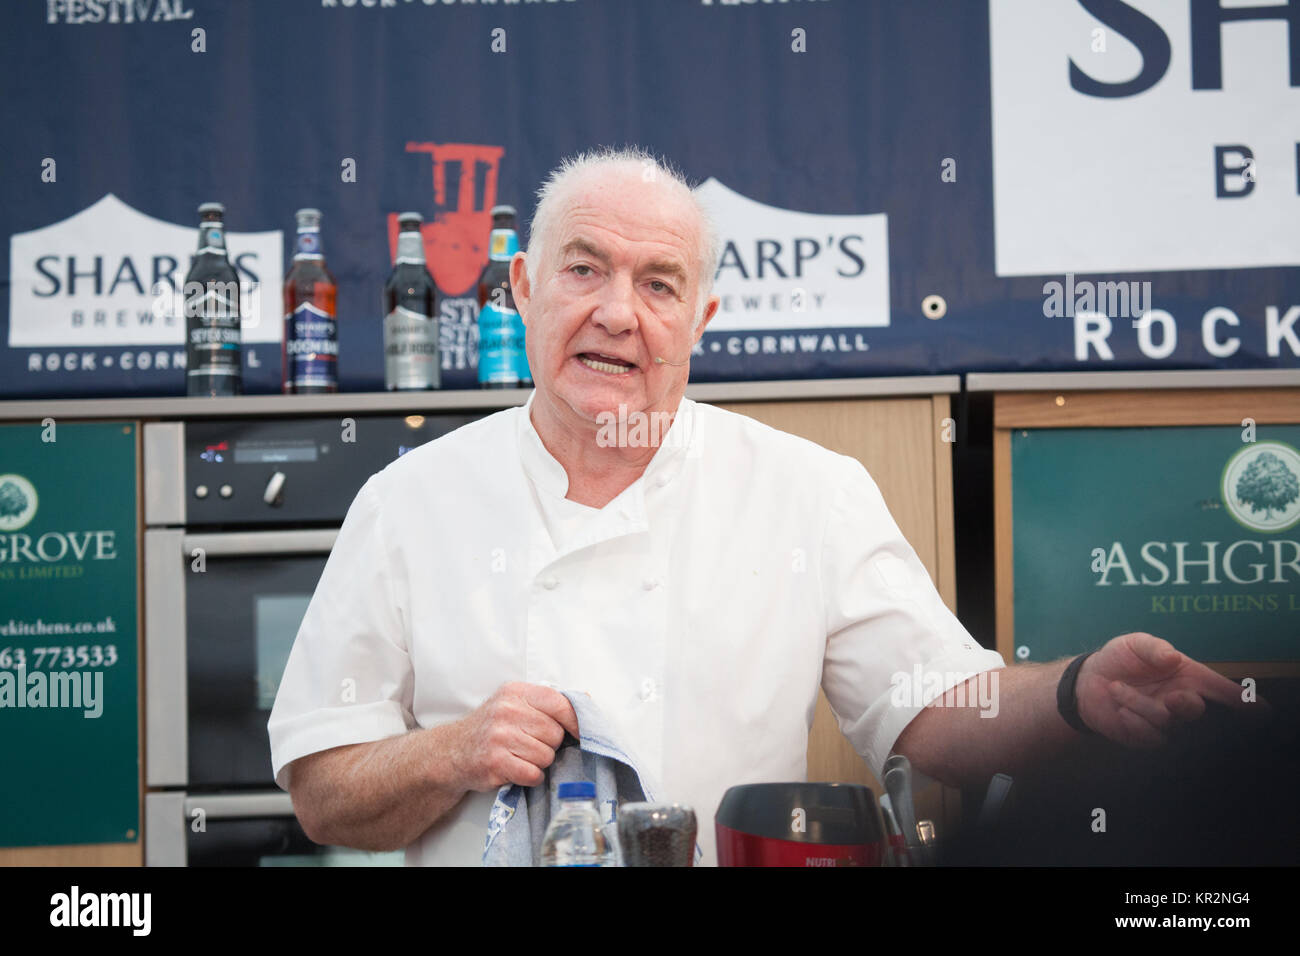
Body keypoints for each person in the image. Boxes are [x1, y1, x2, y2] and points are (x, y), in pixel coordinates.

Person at [268, 146, 1256, 866]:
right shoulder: (408, 504)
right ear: (520, 289)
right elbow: (321, 792)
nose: (617, 312)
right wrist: (451, 750)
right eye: (583, 268)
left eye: (658, 283)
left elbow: (936, 704)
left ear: (699, 319)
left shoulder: (805, 490)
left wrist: (1079, 689)